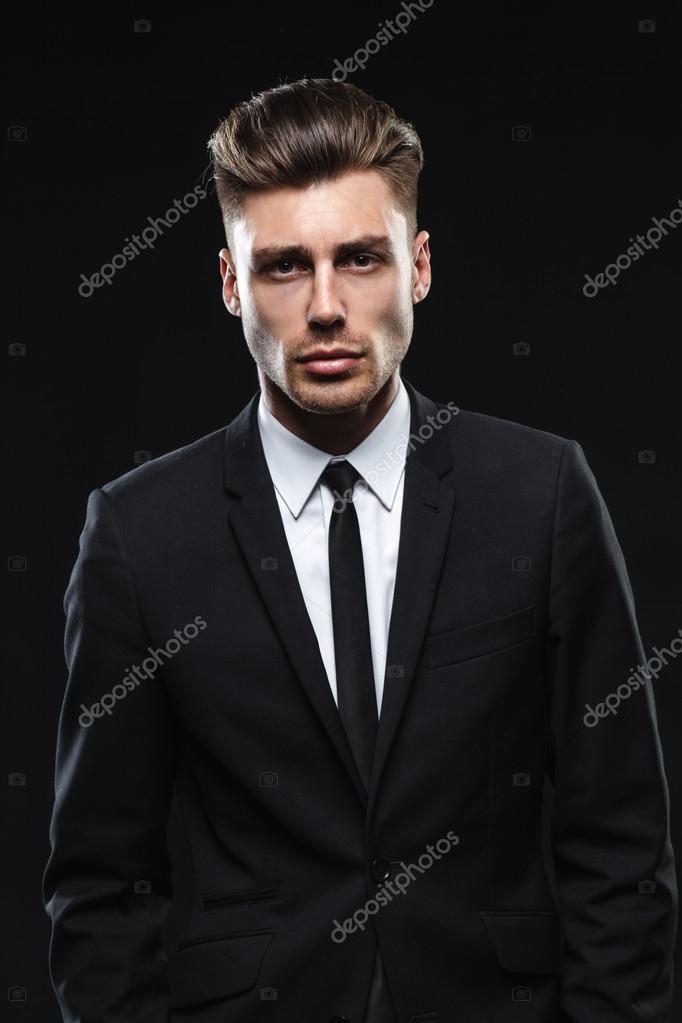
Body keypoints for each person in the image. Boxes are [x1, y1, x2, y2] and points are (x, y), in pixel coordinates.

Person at [43, 77, 677, 1023]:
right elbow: (100, 886)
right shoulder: (138, 535)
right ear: (230, 283)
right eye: (286, 266)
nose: (328, 306)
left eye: (363, 259)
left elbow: (620, 847)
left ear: (419, 266)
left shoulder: (540, 494)